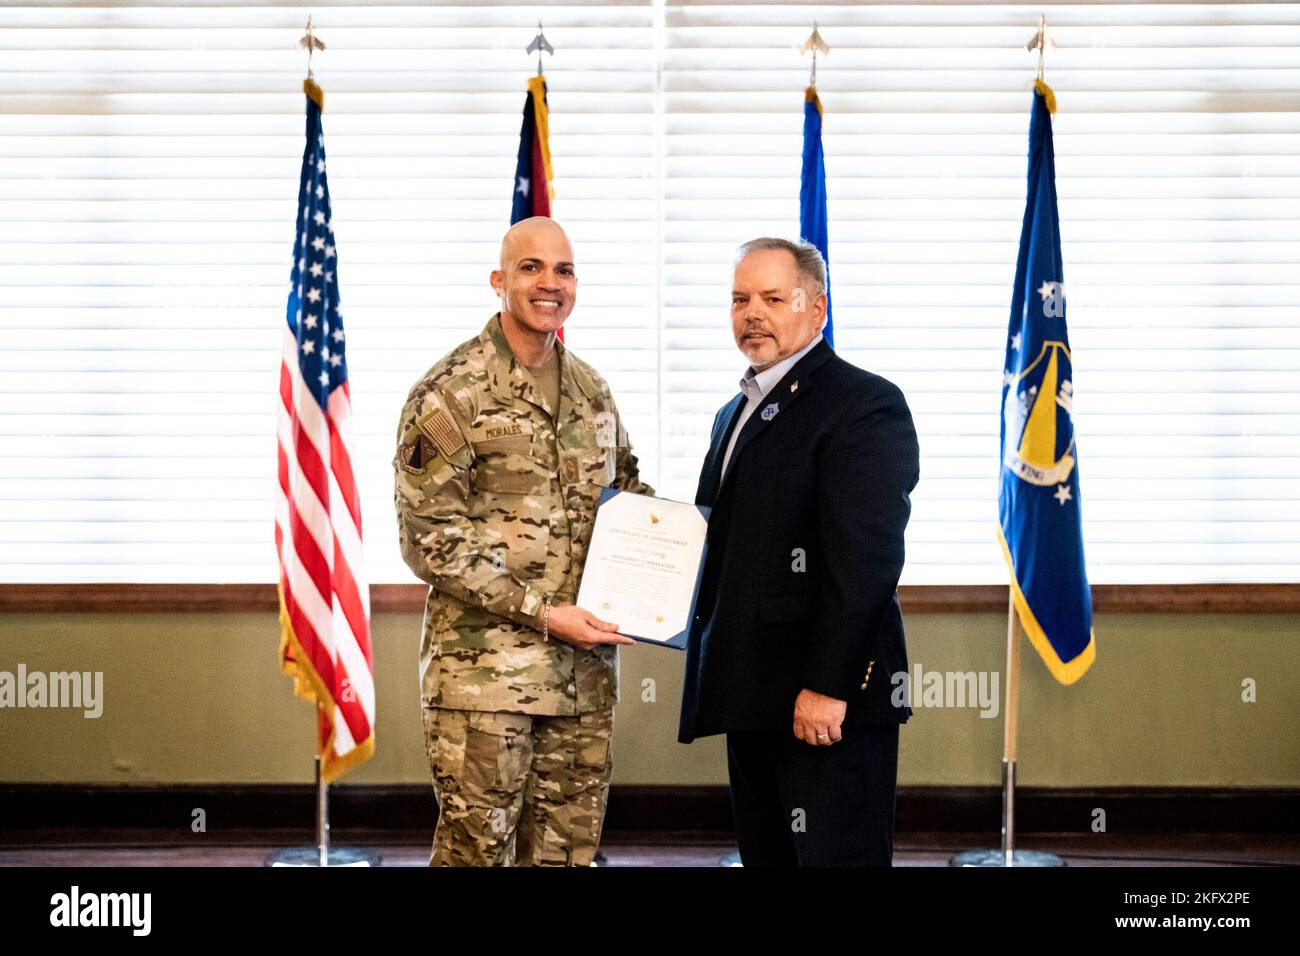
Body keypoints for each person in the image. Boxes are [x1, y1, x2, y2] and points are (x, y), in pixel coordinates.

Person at [393, 216, 652, 866]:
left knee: (568, 856)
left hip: (582, 680)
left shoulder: (591, 391)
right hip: (487, 682)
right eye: (531, 267)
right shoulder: (451, 392)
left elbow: (625, 494)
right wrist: (543, 613)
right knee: (475, 856)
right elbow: (429, 539)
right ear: (498, 281)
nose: (549, 283)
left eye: (563, 269)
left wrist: (684, 549)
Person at [678, 237, 920, 866]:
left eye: (772, 298)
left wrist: (826, 686)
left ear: (817, 310)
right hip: (752, 694)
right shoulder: (732, 411)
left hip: (823, 702)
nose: (751, 313)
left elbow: (864, 567)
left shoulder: (864, 405)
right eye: (739, 299)